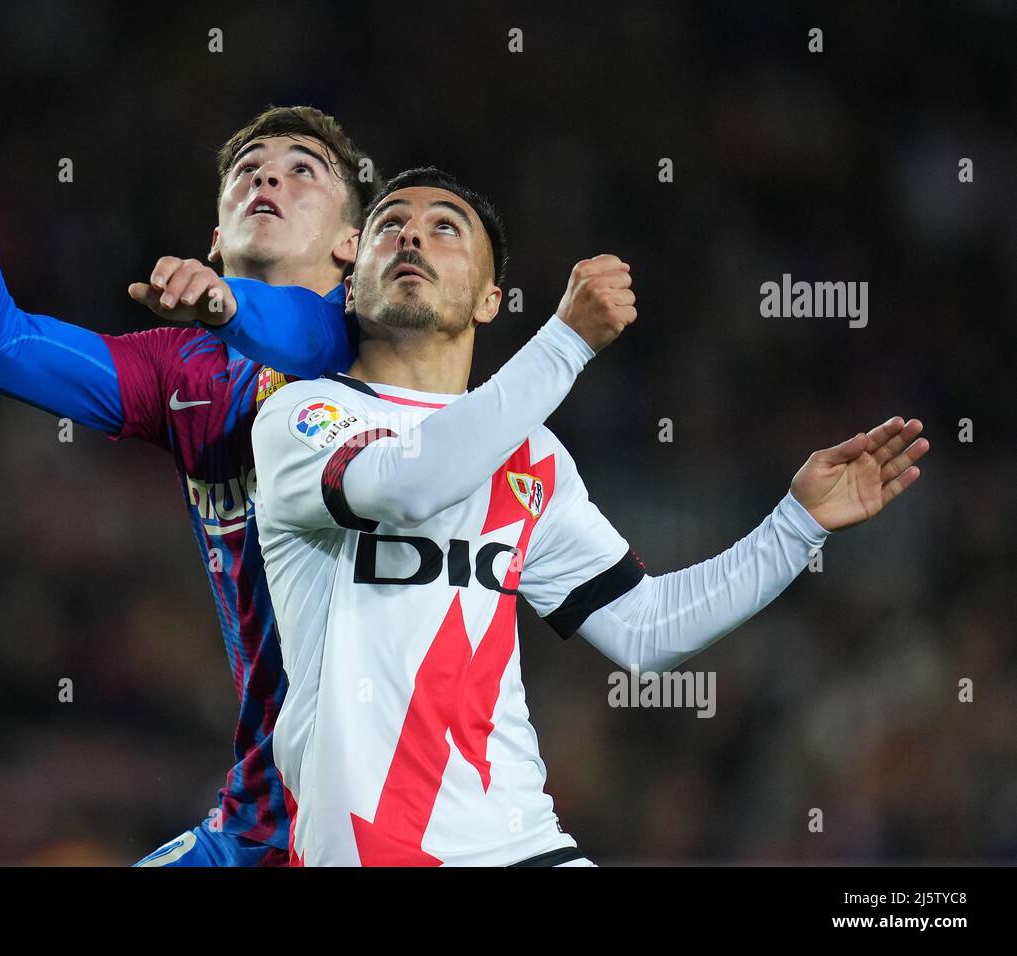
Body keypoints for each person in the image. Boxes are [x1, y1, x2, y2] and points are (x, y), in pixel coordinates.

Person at [250, 167, 929, 866]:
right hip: (369, 849)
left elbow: (644, 629)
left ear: (488, 301)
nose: (412, 233)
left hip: (521, 843)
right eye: (390, 224)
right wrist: (565, 343)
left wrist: (796, 524)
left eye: (445, 226)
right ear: (353, 281)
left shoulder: (531, 455)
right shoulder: (304, 418)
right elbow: (407, 486)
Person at [0, 50, 368, 865]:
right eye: (246, 171)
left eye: (305, 171)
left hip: (390, 818)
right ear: (215, 234)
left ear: (352, 245)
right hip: (263, 819)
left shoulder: (377, 343)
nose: (268, 179)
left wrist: (229, 305)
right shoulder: (182, 372)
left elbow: (312, 332)